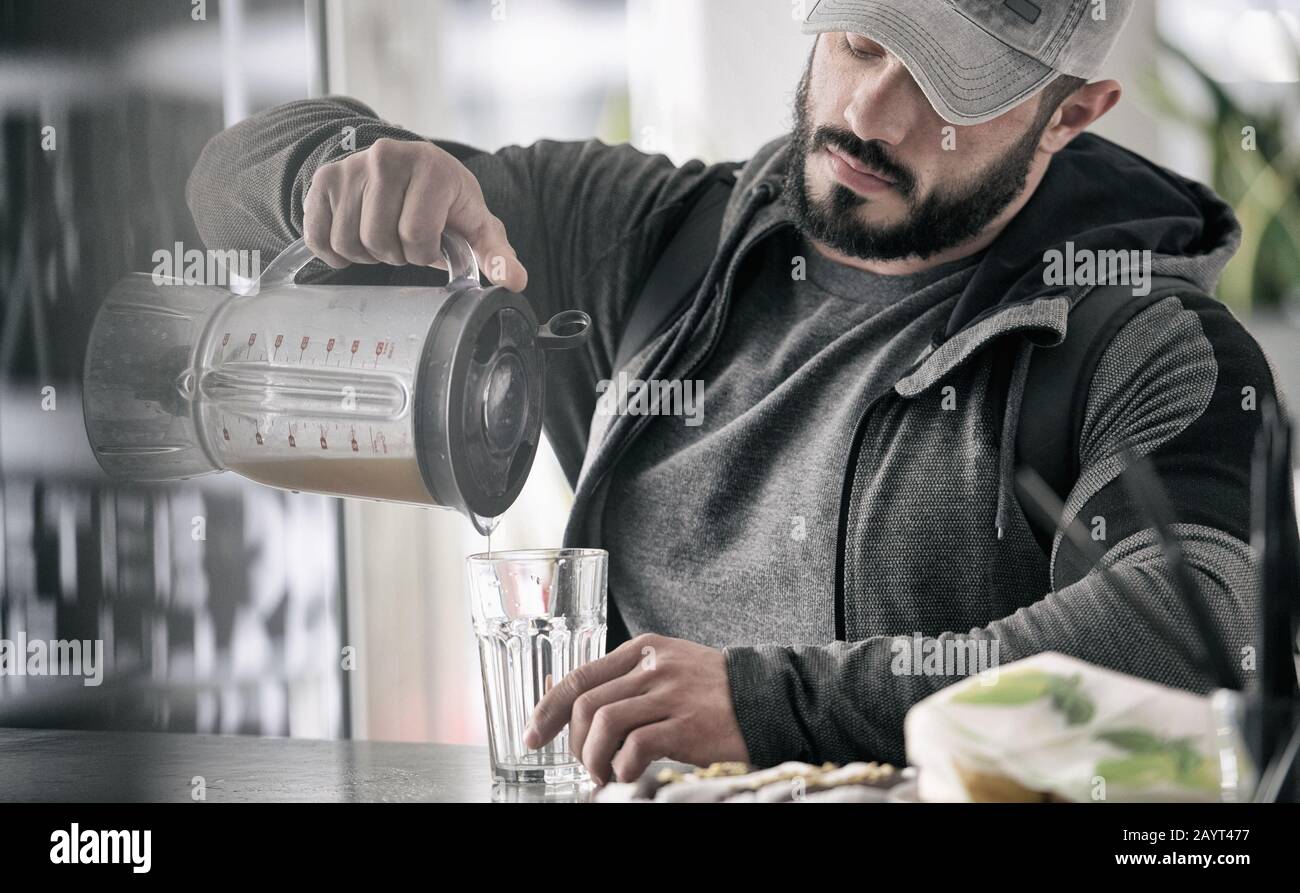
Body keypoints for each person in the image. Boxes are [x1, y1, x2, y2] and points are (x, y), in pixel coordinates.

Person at [187, 0, 1282, 785]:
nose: (874, 112)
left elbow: (1196, 638)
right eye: (863, 38)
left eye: (954, 89)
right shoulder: (648, 239)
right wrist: (349, 166)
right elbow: (226, 179)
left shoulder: (1150, 347)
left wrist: (769, 708)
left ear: (1070, 115)